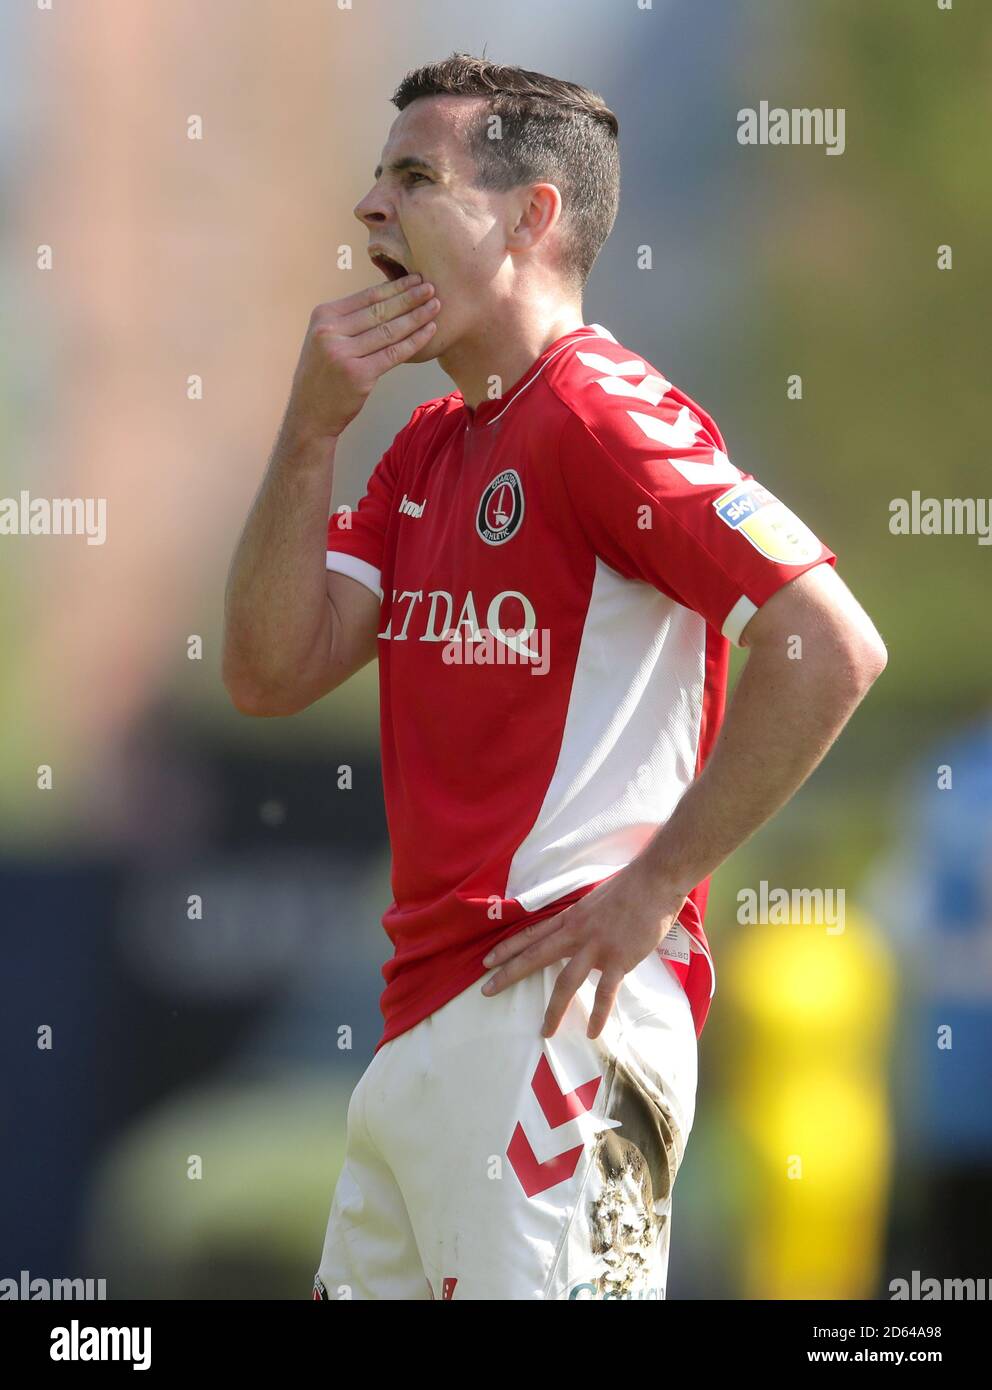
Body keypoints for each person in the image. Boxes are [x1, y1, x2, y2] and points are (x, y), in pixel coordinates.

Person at [222, 53, 887, 1300]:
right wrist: (308, 429)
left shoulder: (599, 413)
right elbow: (267, 670)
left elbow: (828, 642)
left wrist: (655, 886)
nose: (370, 209)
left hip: (560, 1020)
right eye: (375, 179)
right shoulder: (424, 446)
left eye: (414, 177)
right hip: (420, 1029)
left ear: (531, 218)